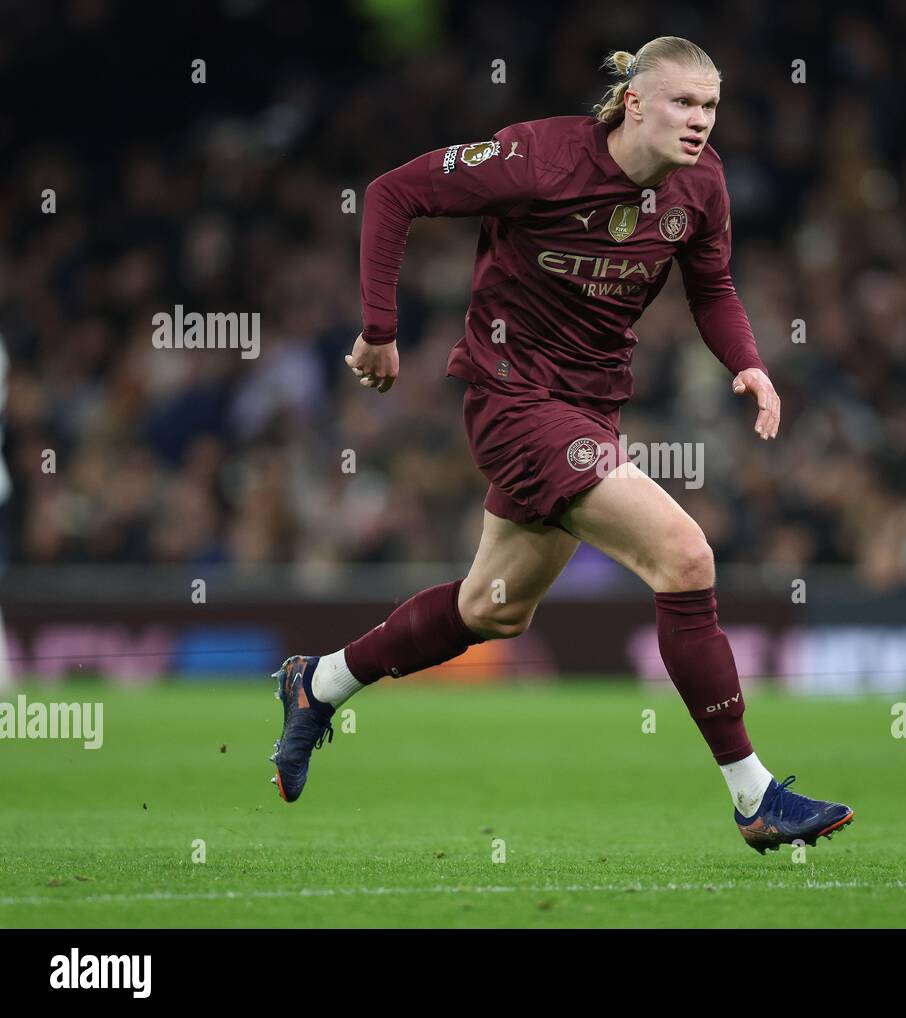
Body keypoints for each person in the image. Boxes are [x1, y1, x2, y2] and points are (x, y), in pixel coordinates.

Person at [271, 36, 852, 854]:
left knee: (491, 610)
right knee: (685, 558)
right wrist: (377, 330)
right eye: (683, 103)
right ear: (634, 102)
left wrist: (750, 363)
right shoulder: (537, 157)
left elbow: (712, 287)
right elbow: (392, 193)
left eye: (711, 107)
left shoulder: (702, 185)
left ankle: (319, 682)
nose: (698, 122)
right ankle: (754, 797)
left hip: (591, 408)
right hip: (513, 399)